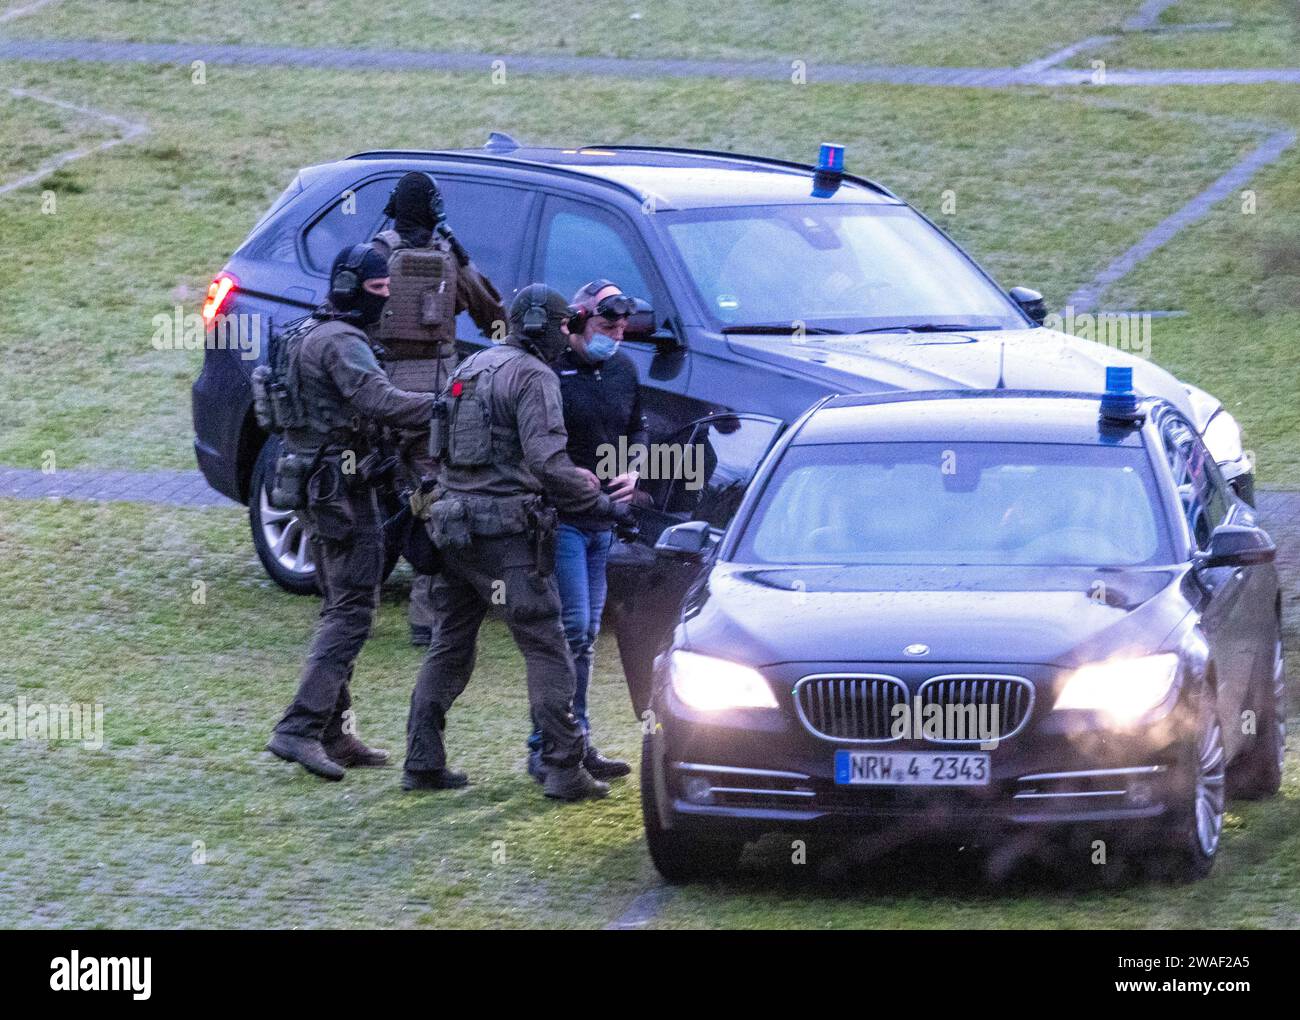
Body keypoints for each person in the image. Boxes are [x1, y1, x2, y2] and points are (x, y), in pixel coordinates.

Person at [403, 285, 631, 801]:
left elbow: (438, 446)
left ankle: (422, 760)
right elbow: (549, 463)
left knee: (450, 643)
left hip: (450, 528)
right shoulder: (535, 377)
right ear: (557, 328)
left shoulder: (473, 365)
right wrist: (600, 506)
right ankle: (562, 766)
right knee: (547, 644)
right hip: (504, 534)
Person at [265, 242, 437, 781]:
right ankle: (299, 728)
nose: (386, 300)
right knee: (353, 610)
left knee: (339, 602)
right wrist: (448, 402)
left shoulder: (305, 332)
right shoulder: (342, 342)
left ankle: (334, 733)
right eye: (380, 289)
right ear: (352, 288)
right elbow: (380, 401)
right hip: (342, 489)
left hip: (313, 485)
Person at [370, 171, 506, 649]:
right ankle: (426, 617)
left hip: (380, 395)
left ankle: (351, 603)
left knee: (369, 499)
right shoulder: (450, 259)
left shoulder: (377, 255)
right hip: (436, 401)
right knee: (434, 500)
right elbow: (495, 318)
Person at [525, 280, 644, 783]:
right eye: (603, 326)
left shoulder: (622, 369)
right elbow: (536, 445)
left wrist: (634, 467)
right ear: (576, 321)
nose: (613, 336)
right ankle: (548, 745)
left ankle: (578, 739)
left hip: (604, 523)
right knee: (569, 631)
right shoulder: (550, 372)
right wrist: (573, 477)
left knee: (587, 636)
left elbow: (636, 428)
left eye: (619, 328)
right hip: (564, 519)